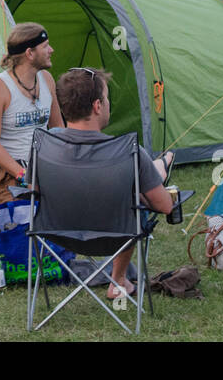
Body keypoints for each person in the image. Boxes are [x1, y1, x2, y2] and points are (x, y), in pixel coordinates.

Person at [51, 67, 174, 300]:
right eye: (106, 99)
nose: (108, 104)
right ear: (97, 106)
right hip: (113, 237)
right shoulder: (129, 151)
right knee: (136, 206)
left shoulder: (45, 146)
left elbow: (34, 192)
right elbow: (165, 206)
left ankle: (157, 169)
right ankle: (117, 280)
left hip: (57, 235)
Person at [0, 23, 62, 204]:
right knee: (22, 219)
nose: (51, 50)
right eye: (45, 46)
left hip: (43, 165)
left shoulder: (47, 80)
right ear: (30, 53)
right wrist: (25, 177)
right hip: (7, 171)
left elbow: (58, 128)